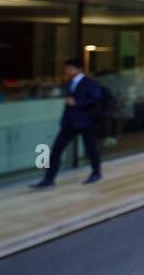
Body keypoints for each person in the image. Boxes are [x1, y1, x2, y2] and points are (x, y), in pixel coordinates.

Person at [31, 58, 103, 188]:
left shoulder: (89, 83)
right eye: (66, 68)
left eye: (70, 68)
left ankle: (96, 172)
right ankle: (48, 179)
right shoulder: (69, 83)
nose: (67, 71)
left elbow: (96, 99)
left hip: (86, 122)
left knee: (91, 148)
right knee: (56, 150)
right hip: (70, 123)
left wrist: (77, 103)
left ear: (79, 69)